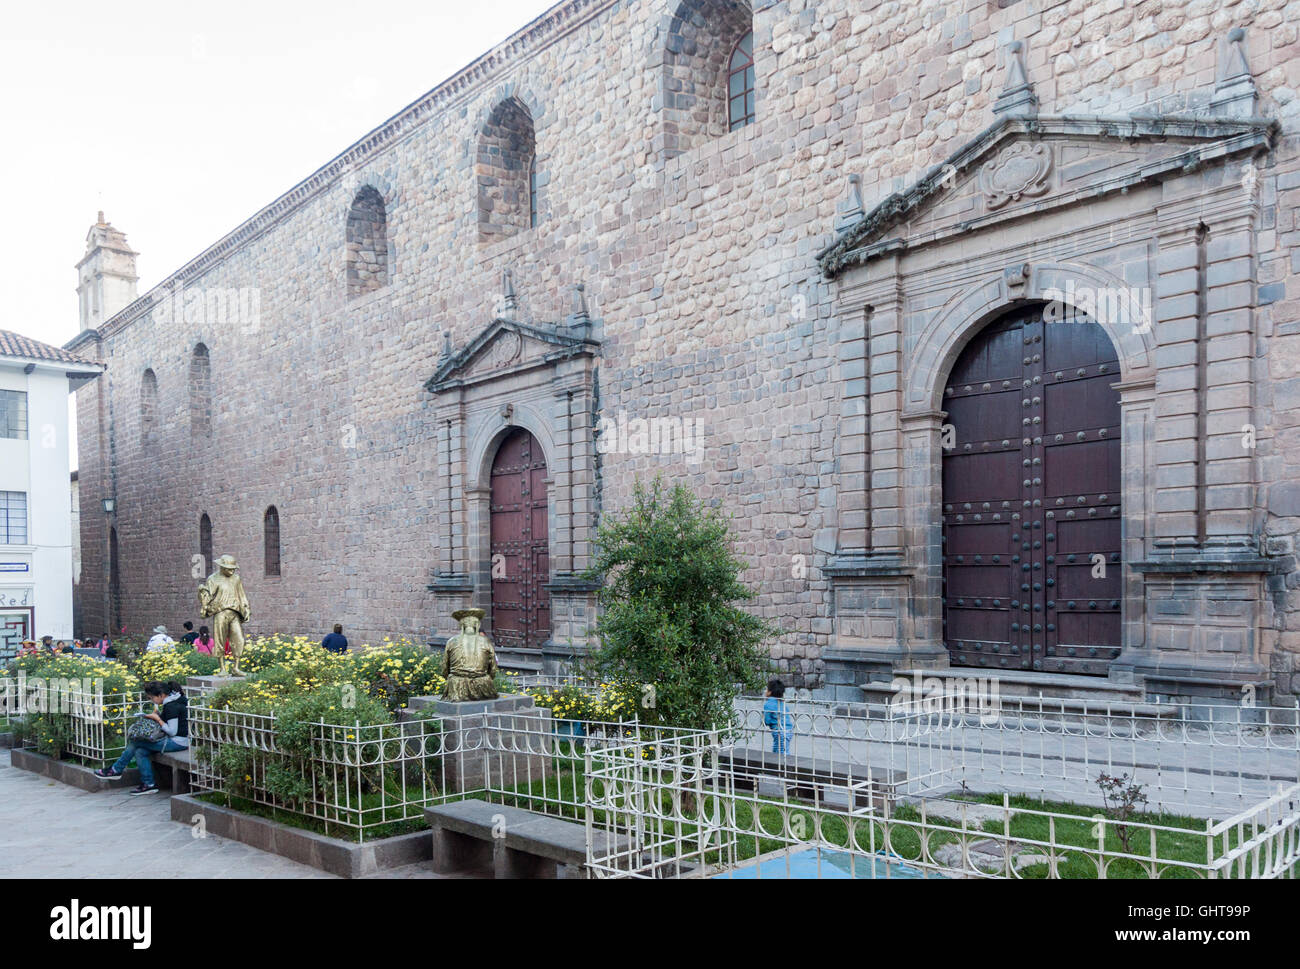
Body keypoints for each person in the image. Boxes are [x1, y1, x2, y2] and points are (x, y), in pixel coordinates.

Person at [95, 680, 189, 796]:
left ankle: (116, 770)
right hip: (175, 740)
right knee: (140, 752)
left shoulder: (171, 706)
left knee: (135, 742)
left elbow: (173, 731)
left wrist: (157, 719)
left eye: (151, 698)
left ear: (161, 695)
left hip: (177, 742)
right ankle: (148, 784)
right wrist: (159, 715)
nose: (151, 701)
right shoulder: (173, 700)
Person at [198, 555, 251, 675]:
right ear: (222, 567)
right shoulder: (213, 579)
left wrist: (246, 608)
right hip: (220, 612)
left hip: (234, 612)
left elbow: (241, 595)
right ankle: (222, 668)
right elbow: (208, 595)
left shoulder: (236, 579)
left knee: (239, 639)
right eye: (229, 569)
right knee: (219, 640)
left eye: (233, 569)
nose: (231, 571)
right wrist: (202, 593)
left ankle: (236, 667)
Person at [763, 678, 795, 755]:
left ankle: (784, 766)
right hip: (788, 730)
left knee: (781, 753)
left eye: (766, 689)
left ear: (770, 692)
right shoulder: (782, 702)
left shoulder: (768, 704)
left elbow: (766, 721)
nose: (765, 691)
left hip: (779, 732)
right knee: (778, 750)